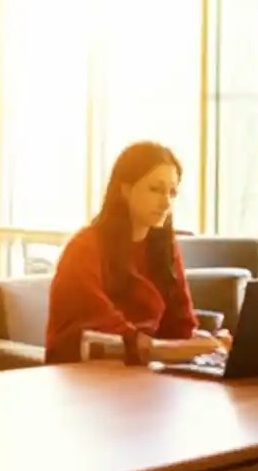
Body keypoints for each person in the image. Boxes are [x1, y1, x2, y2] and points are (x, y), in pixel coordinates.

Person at [46, 141, 223, 364]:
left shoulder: (164, 248)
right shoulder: (85, 247)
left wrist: (210, 345)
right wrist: (176, 349)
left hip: (146, 372)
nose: (166, 202)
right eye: (155, 189)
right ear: (125, 189)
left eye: (172, 192)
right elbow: (103, 329)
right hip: (88, 373)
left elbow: (181, 325)